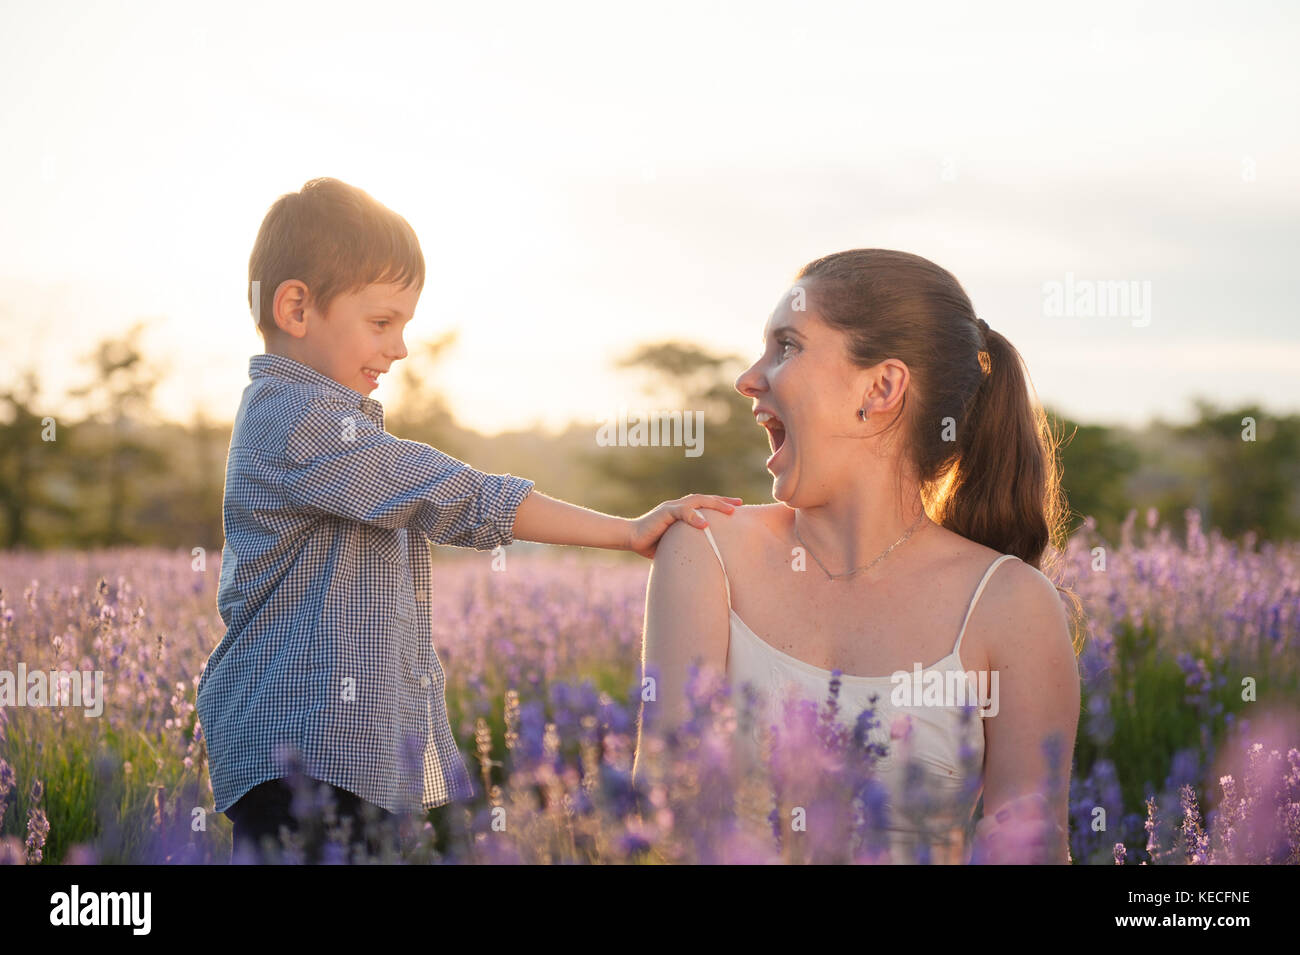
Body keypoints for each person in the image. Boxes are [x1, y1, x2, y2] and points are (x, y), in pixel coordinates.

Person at [196, 177, 741, 864]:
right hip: (301, 753)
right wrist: (627, 530)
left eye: (405, 325)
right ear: (297, 307)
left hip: (337, 753)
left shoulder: (318, 421)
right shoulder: (296, 419)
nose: (398, 347)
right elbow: (453, 493)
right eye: (381, 321)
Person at [634, 249, 1082, 864]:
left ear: (882, 387)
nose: (748, 378)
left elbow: (1029, 851)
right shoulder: (705, 547)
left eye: (787, 346)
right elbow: (667, 806)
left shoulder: (1011, 603)